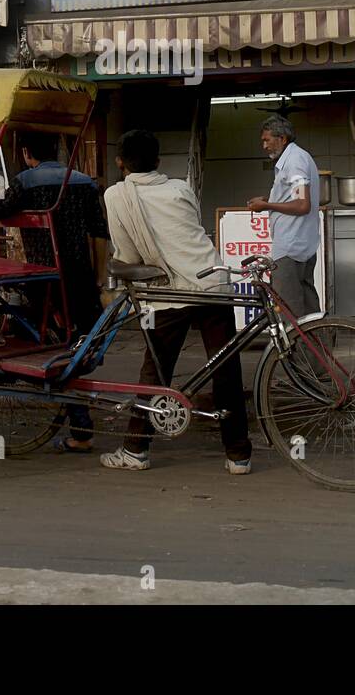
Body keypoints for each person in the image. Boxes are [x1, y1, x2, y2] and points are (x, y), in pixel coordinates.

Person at [100, 129, 252, 475]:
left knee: (155, 371)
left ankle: (136, 449)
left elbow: (126, 253)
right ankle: (238, 454)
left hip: (168, 292)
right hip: (212, 283)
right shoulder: (181, 188)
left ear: (120, 162)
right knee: (226, 369)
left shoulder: (115, 196)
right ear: (157, 162)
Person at [0, 130, 108, 451]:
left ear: (27, 152)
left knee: (51, 349)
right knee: (77, 349)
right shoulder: (83, 181)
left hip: (44, 278)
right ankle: (81, 428)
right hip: (80, 274)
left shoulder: (25, 181)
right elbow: (98, 230)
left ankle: (79, 424)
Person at [247, 115, 321, 318]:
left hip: (291, 247)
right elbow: (296, 197)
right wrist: (270, 199)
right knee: (307, 308)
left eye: (266, 140)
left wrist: (267, 205)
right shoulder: (296, 158)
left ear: (282, 139)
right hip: (302, 244)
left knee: (290, 310)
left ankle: (300, 351)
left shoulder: (294, 161)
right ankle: (319, 349)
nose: (264, 146)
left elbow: (302, 204)